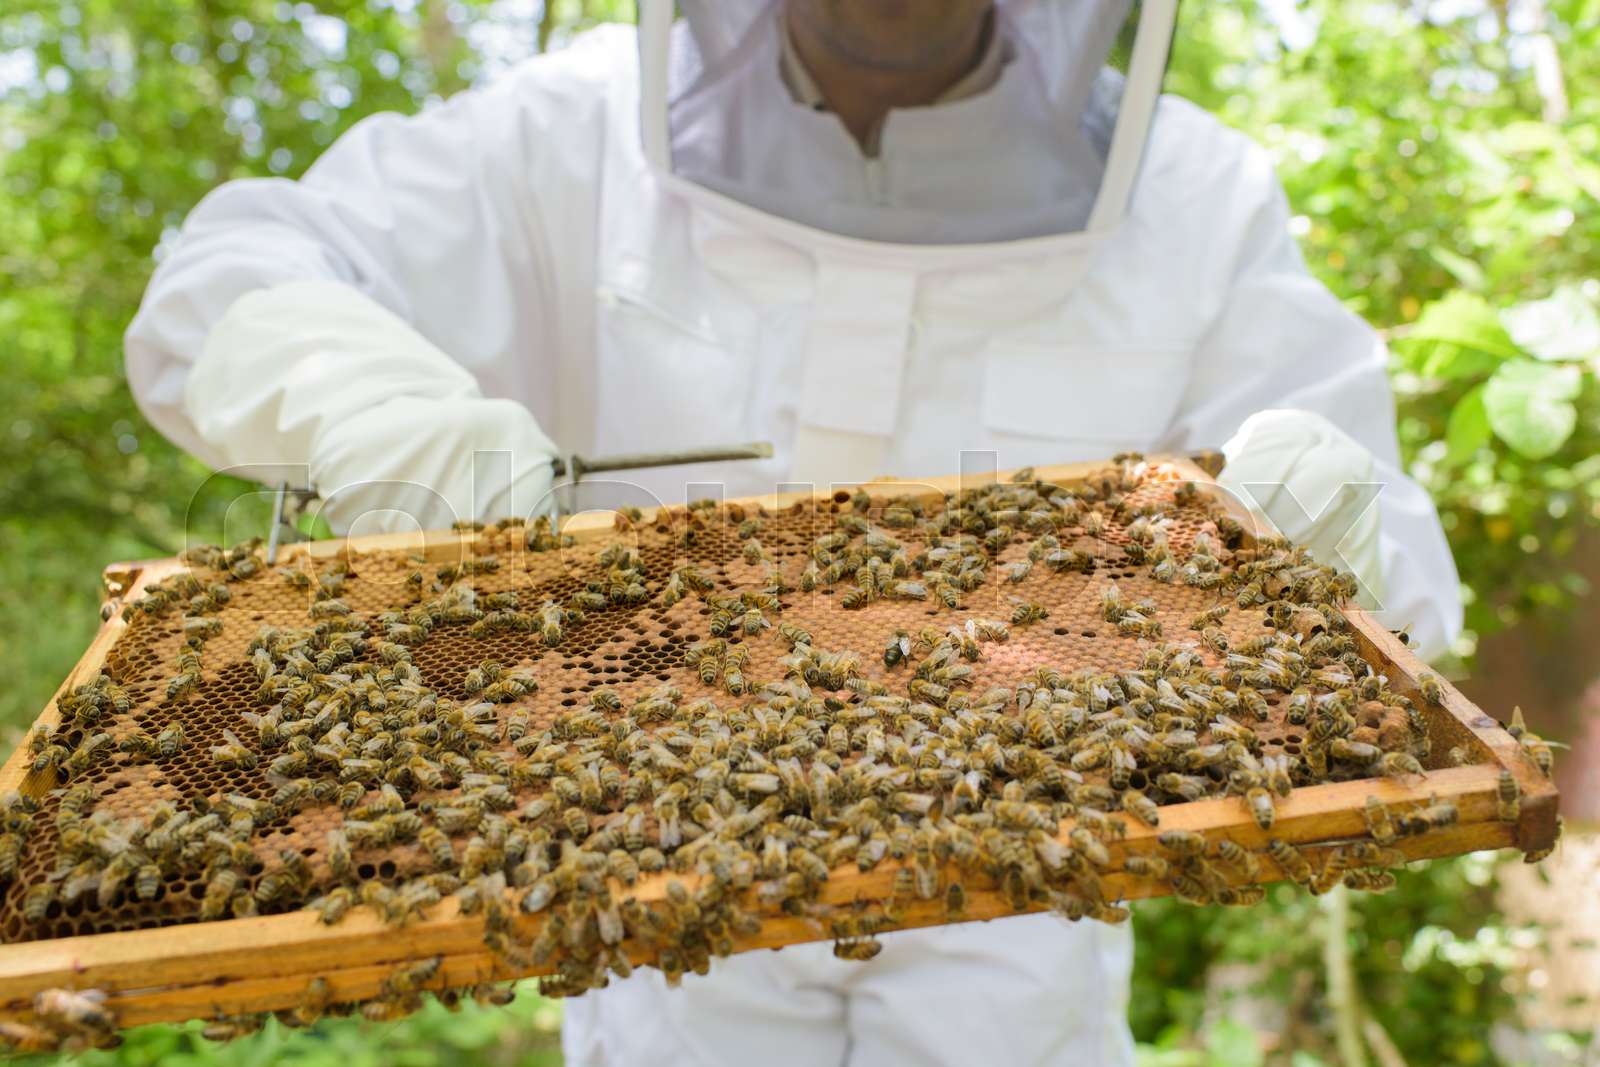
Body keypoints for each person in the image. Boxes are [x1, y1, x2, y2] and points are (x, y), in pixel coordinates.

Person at [125, 1, 1463, 1063]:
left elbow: (1404, 585)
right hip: (650, 943)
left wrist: (1339, 550)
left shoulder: (1197, 197)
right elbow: (228, 273)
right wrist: (355, 393)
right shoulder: (568, 133)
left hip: (1029, 979)